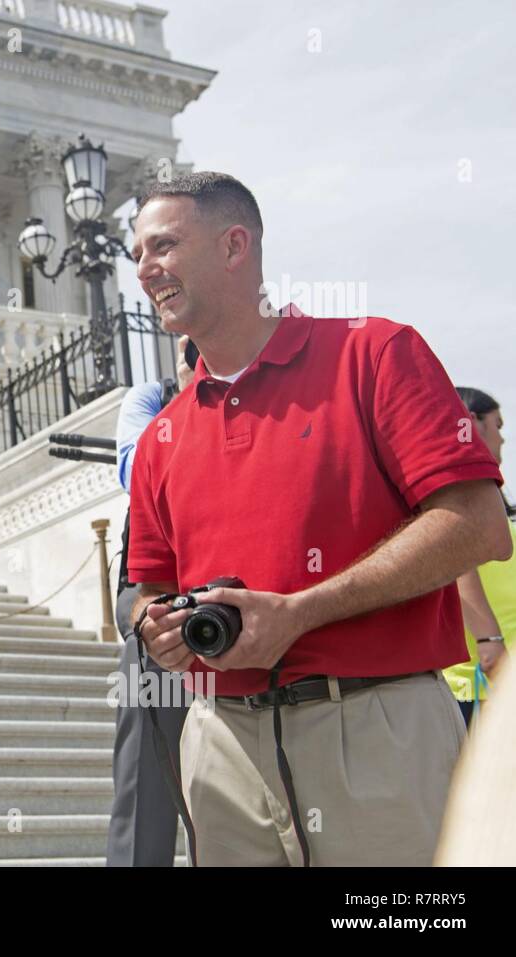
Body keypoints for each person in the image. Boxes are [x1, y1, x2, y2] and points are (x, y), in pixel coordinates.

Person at [126, 171, 510, 866]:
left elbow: (480, 524)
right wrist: (154, 626)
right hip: (222, 748)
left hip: (378, 730)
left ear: (235, 245)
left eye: (163, 246)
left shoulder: (376, 353)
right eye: (137, 256)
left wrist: (301, 610)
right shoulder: (160, 438)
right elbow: (148, 587)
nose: (144, 270)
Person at [106, 336, 196, 867]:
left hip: (237, 591)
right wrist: (191, 397)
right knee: (147, 779)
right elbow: (138, 477)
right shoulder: (149, 398)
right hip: (153, 590)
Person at [444, 387, 514, 725]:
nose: (503, 438)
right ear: (472, 422)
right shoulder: (458, 484)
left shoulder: (488, 490)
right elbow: (459, 562)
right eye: (497, 425)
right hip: (481, 680)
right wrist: (490, 642)